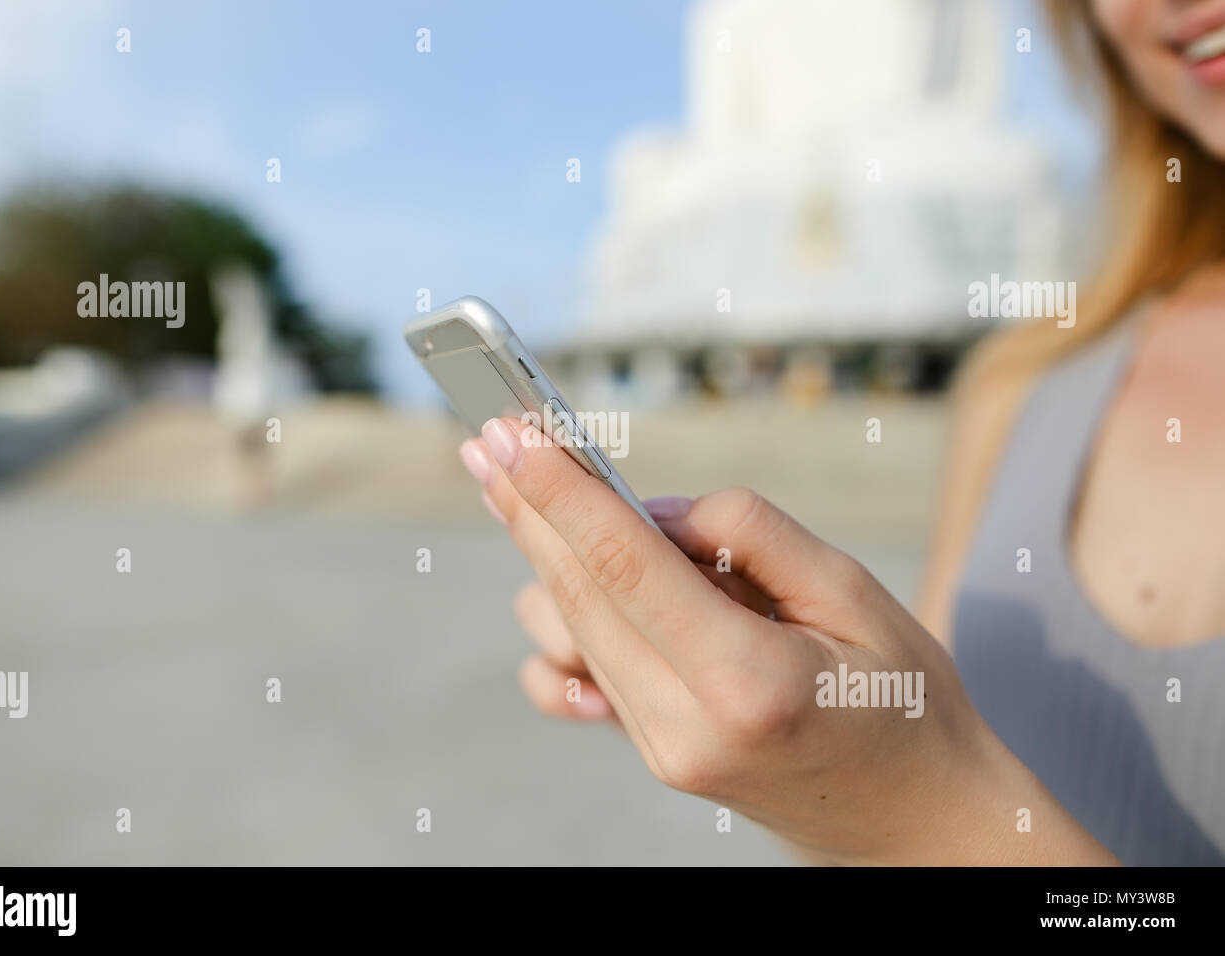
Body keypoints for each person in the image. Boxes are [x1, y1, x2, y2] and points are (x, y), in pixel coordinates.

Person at [456, 0, 1225, 865]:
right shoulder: (1019, 385)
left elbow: (940, 802)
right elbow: (911, 794)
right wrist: (805, 759)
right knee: (654, 162)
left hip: (907, 145)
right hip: (812, 154)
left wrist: (920, 806)